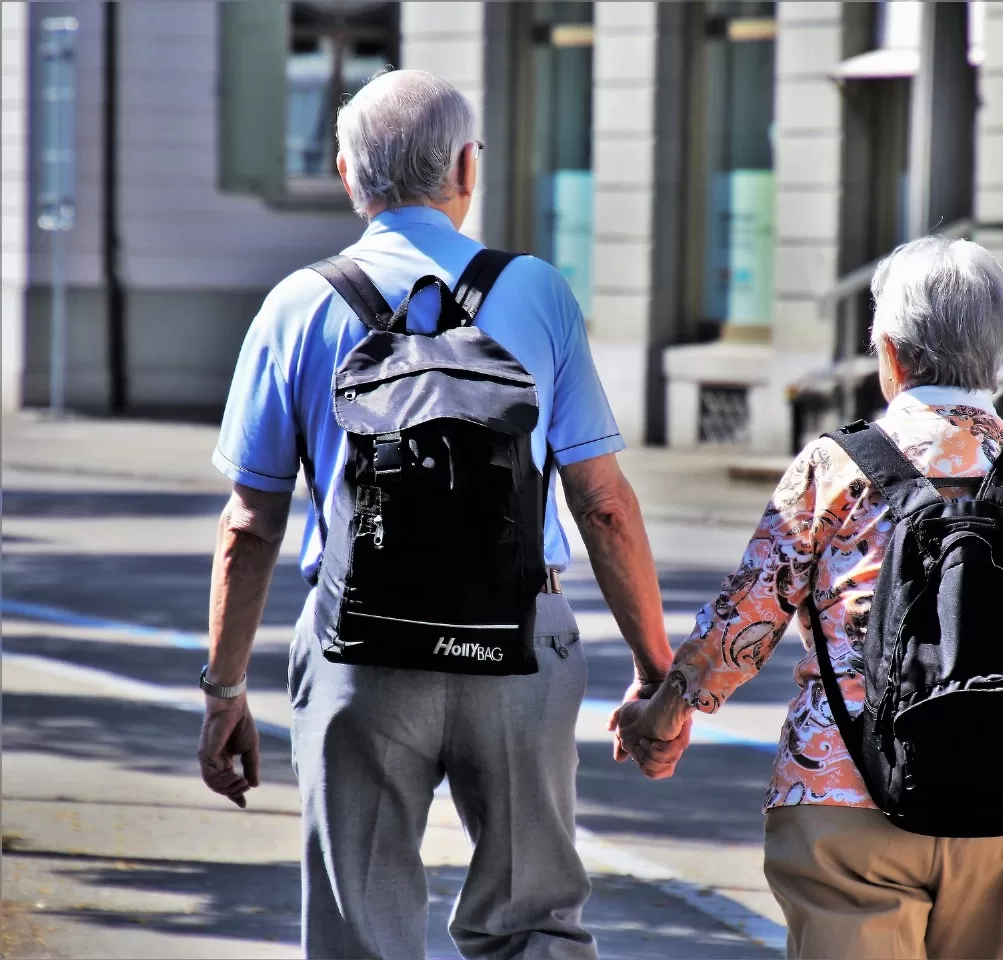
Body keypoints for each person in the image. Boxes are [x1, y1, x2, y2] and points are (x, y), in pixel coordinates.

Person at [196, 69, 684, 959]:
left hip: (361, 651)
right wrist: (659, 674)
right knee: (533, 920)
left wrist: (225, 691)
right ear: (467, 167)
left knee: (360, 931)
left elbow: (251, 526)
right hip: (520, 644)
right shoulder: (537, 293)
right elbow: (603, 504)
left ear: (348, 173)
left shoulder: (296, 306)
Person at [614, 236, 1003, 959]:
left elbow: (741, 625)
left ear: (892, 354)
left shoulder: (834, 467)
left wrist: (663, 713)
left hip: (847, 800)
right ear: (998, 354)